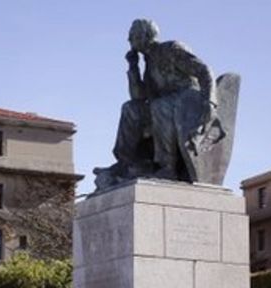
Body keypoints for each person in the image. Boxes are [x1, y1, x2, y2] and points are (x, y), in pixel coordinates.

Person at [94, 18, 219, 186]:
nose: (129, 40)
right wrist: (133, 67)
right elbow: (137, 96)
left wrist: (210, 102)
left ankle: (168, 167)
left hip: (187, 103)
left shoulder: (171, 49)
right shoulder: (149, 64)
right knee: (130, 109)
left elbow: (204, 70)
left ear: (145, 35)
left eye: (132, 36)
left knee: (159, 105)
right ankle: (128, 163)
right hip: (164, 108)